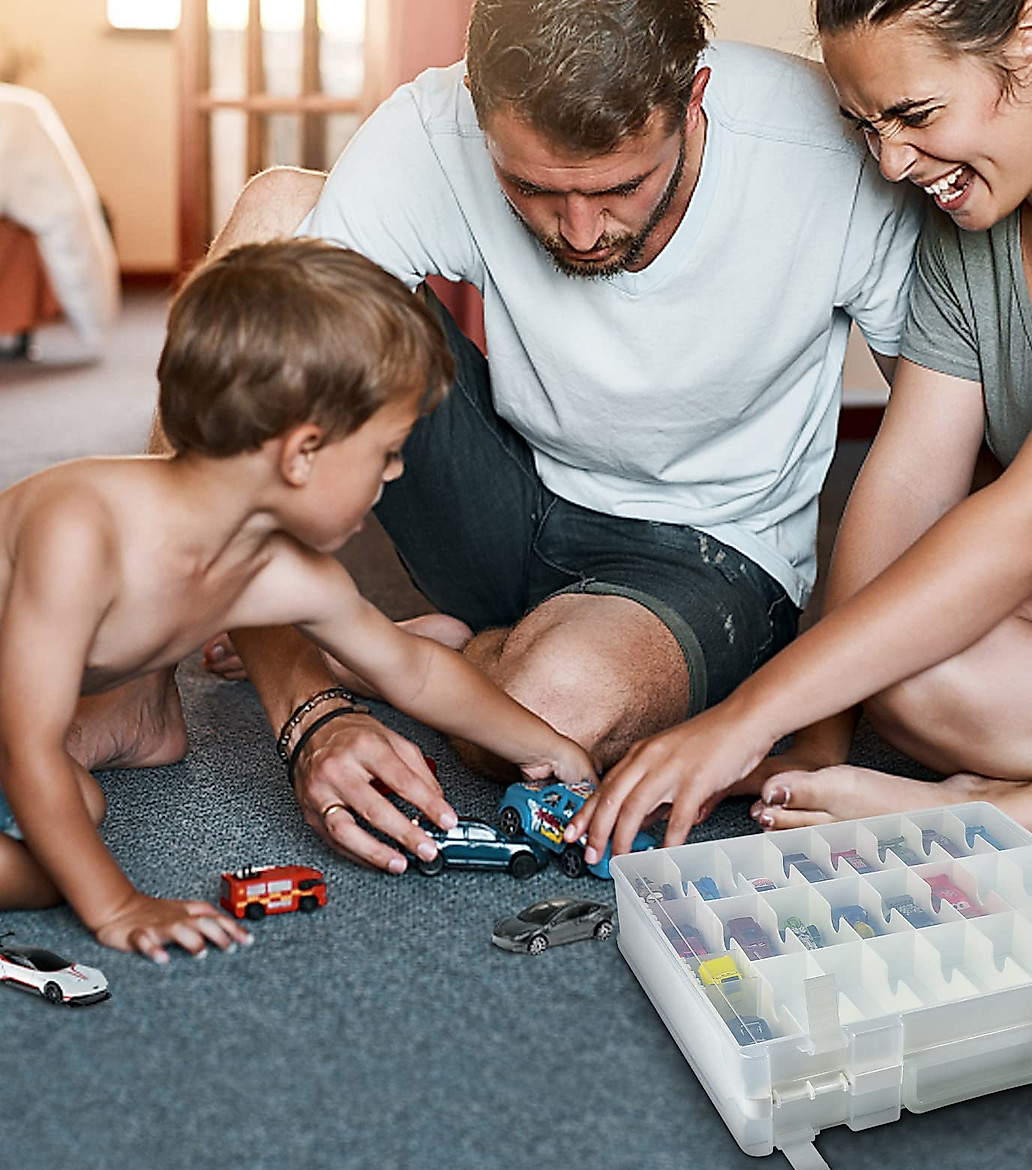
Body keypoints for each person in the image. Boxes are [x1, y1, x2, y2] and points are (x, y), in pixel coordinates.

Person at [191, 0, 923, 872]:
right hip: (507, 484)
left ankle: (415, 651)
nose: (580, 233)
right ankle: (399, 656)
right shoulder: (433, 126)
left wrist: (821, 728)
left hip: (710, 547)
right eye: (533, 189)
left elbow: (926, 451)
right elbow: (239, 419)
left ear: (694, 99)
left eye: (620, 187)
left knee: (541, 720)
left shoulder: (825, 150)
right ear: (478, 106)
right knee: (277, 224)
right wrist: (307, 709)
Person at [569, 0, 1032, 863]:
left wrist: (745, 715)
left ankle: (995, 820)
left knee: (922, 622)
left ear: (1031, 41)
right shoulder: (969, 224)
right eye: (868, 127)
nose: (894, 162)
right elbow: (904, 486)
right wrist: (816, 740)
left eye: (916, 115)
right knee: (909, 662)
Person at [0, 240, 594, 962]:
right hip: (19, 729)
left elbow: (414, 669)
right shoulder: (79, 532)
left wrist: (548, 746)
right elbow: (29, 745)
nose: (396, 472)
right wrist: (118, 906)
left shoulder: (277, 573)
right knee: (58, 846)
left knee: (71, 816)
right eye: (387, 451)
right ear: (303, 452)